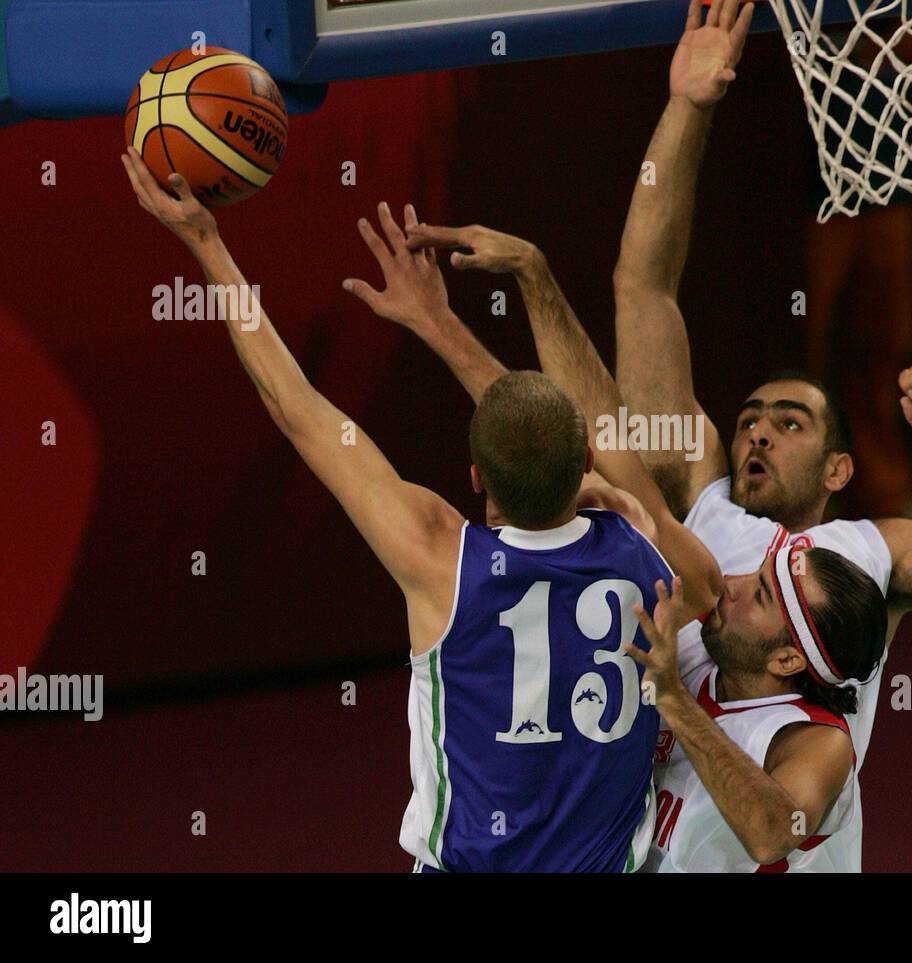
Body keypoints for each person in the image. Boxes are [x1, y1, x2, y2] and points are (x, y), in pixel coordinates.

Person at [121, 150, 712, 873]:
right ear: (587, 459)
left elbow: (297, 408)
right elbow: (693, 573)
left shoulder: (440, 554)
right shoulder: (645, 544)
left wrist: (206, 241)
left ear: (473, 476)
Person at [611, 0, 912, 791]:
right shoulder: (700, 498)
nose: (757, 435)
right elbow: (644, 290)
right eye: (749, 421)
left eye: (790, 422)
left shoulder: (876, 558)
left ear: (841, 471)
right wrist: (687, 105)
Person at [356, 211, 891, 871]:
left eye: (762, 593)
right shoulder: (696, 629)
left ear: (786, 658)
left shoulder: (813, 740)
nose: (735, 579)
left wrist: (671, 697)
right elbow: (563, 438)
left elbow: (773, 829)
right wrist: (502, 290)